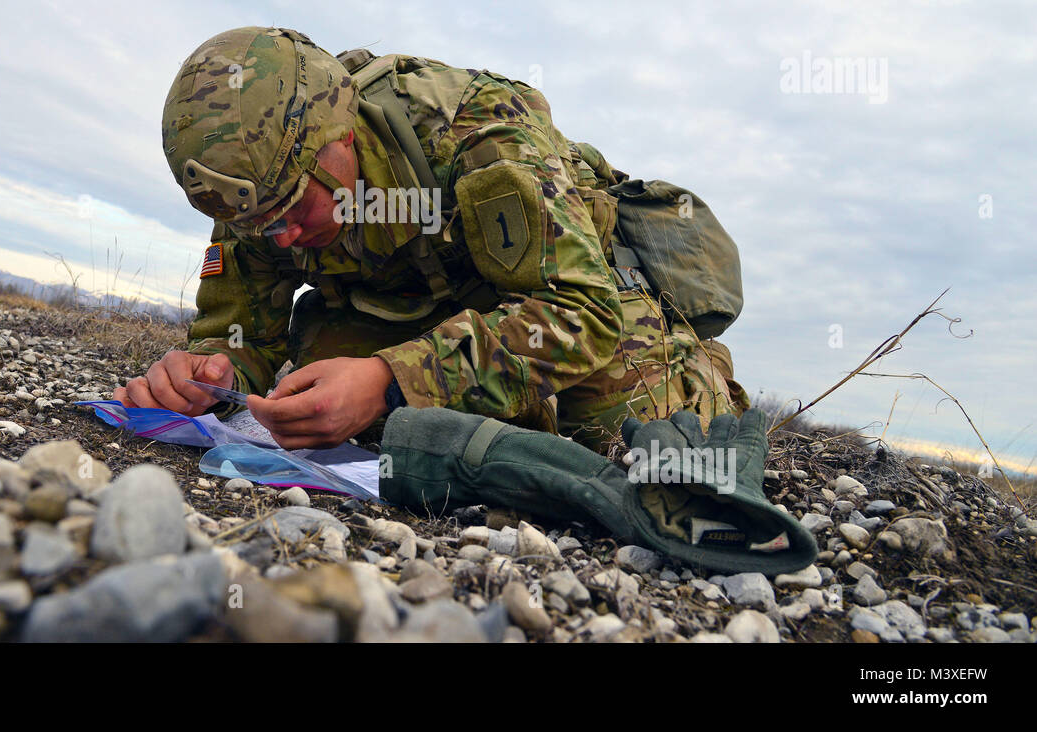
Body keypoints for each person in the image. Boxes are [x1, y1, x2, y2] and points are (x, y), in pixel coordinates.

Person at [115, 26, 748, 451]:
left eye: (292, 210)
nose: (281, 238)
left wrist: (390, 380)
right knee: (321, 400)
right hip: (423, 309)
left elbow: (579, 314)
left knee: (639, 439)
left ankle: (692, 366)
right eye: (259, 224)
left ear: (337, 139)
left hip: (569, 298)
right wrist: (210, 370)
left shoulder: (477, 129)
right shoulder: (255, 188)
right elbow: (243, 329)